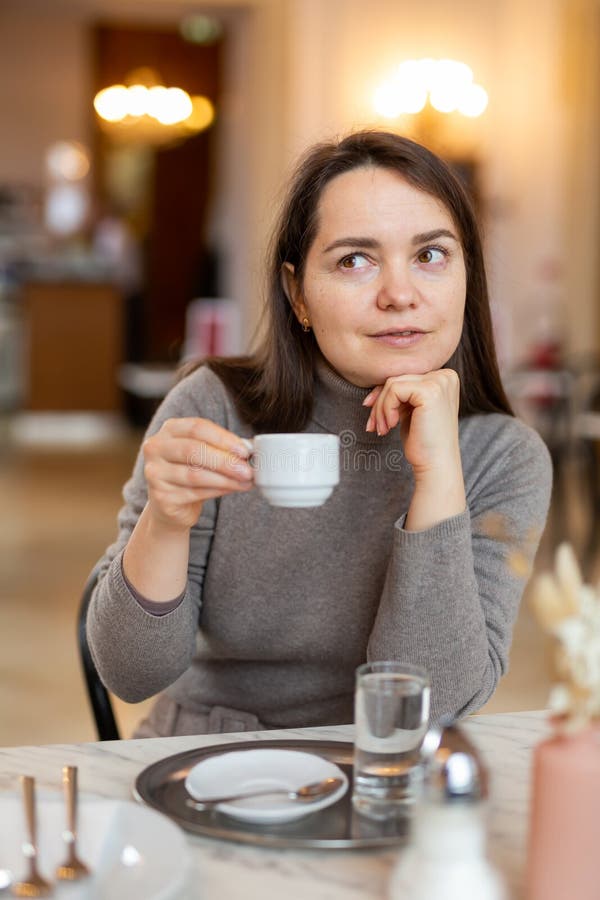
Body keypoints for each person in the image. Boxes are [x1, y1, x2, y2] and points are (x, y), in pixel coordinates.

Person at [88, 130, 552, 738]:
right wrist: (166, 521)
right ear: (297, 295)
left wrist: (437, 476)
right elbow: (129, 672)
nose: (400, 295)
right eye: (355, 260)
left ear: (468, 275)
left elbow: (431, 705)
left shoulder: (503, 456)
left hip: (387, 776)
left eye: (431, 255)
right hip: (203, 761)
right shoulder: (213, 409)